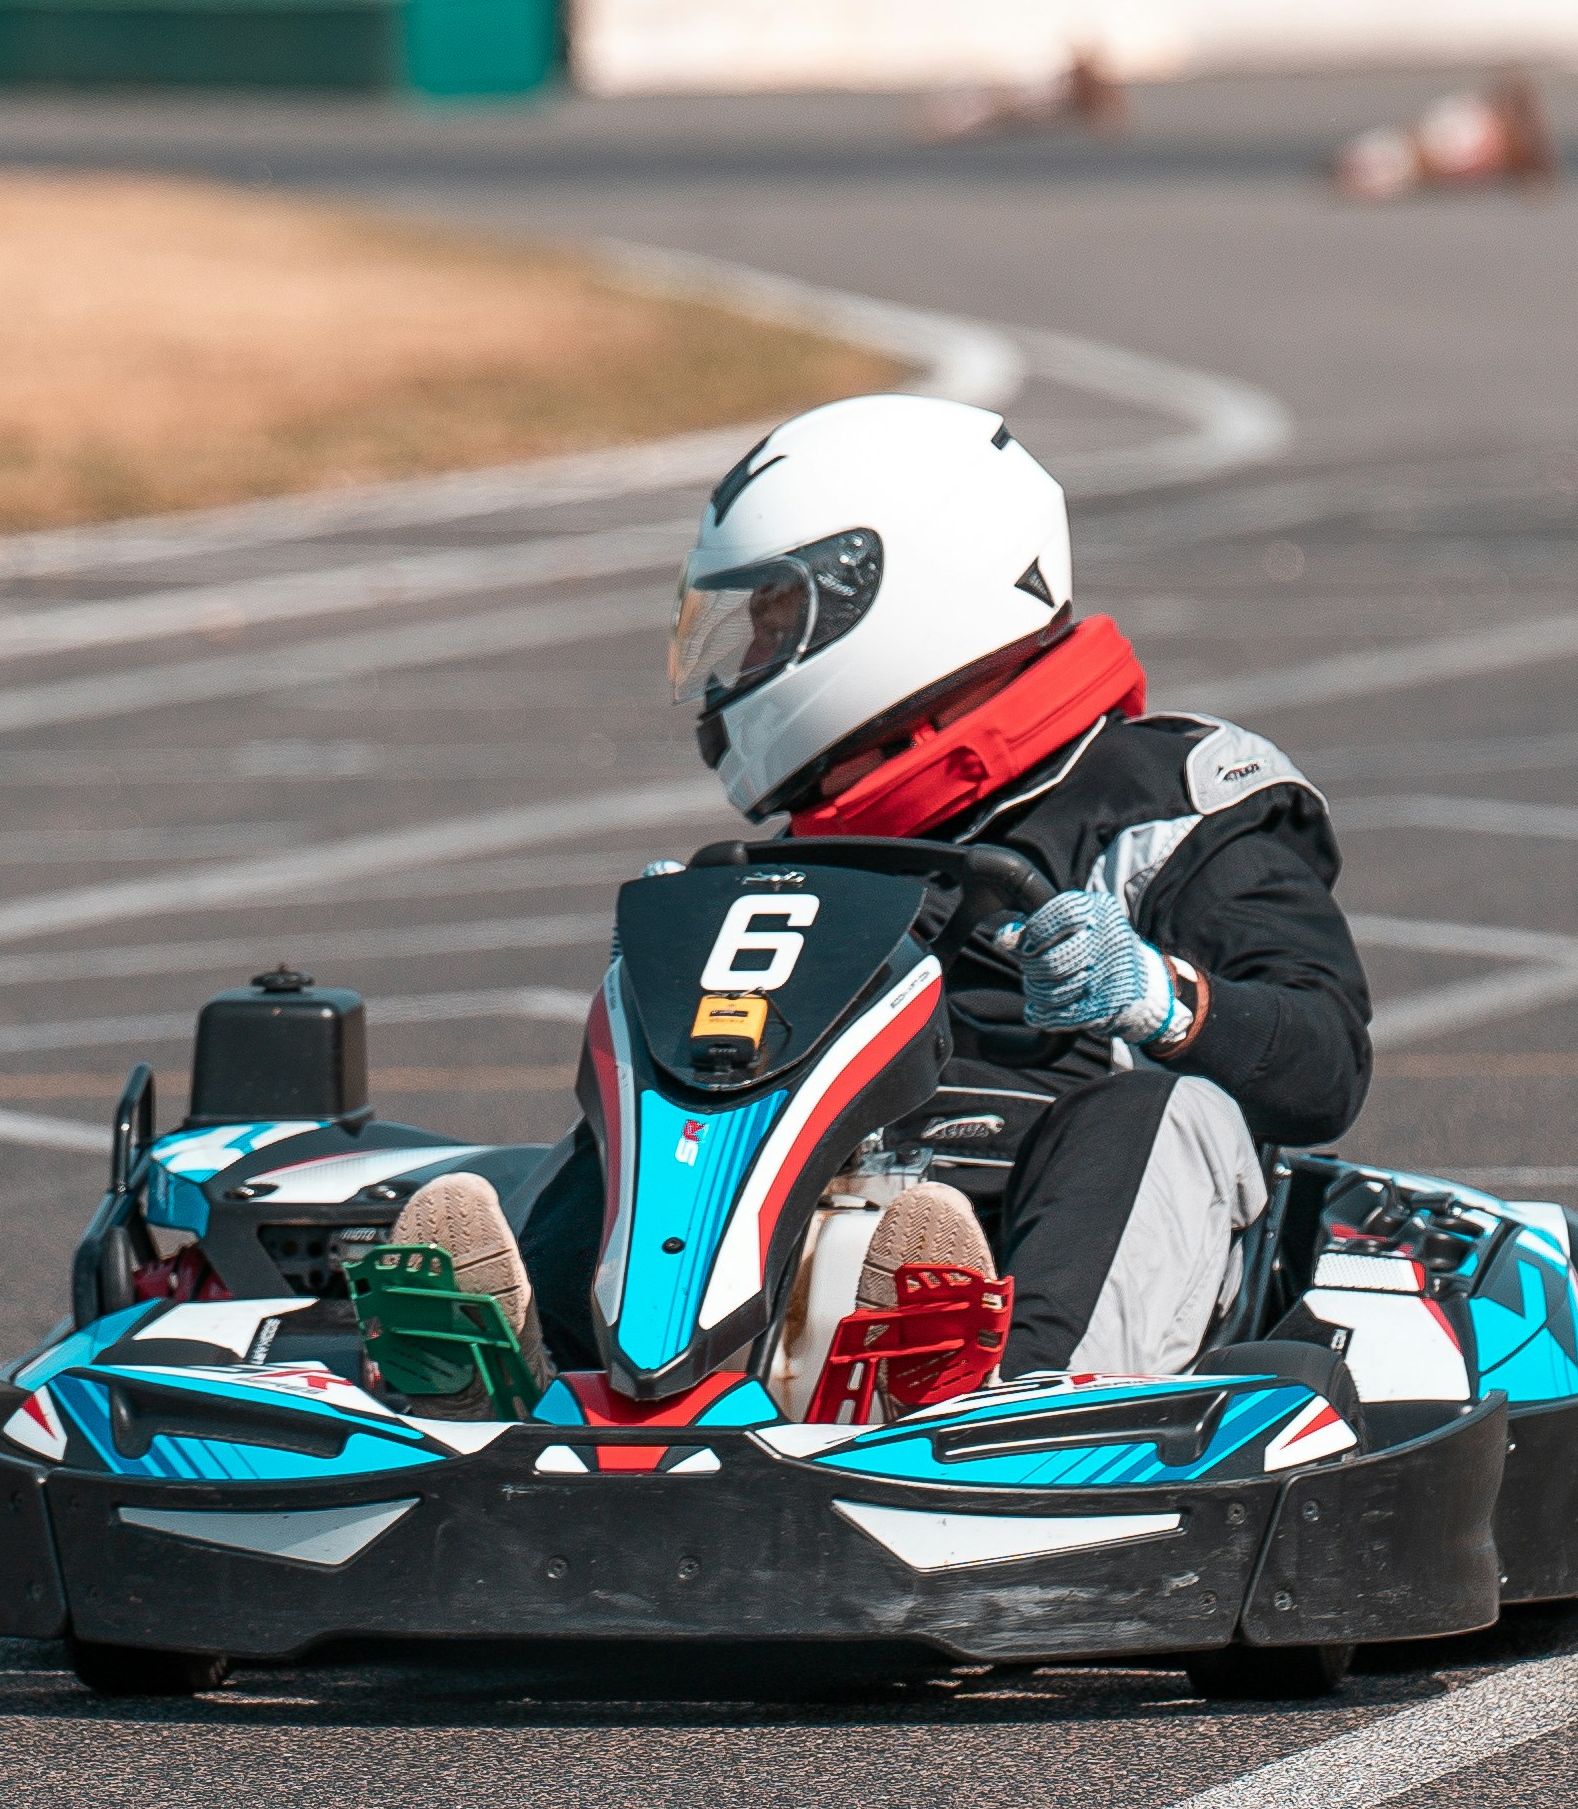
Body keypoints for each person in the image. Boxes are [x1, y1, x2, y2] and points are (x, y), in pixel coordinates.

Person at [510, 391, 1368, 1386]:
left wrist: (1163, 997)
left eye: (777, 621)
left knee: (1167, 1114)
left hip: (1056, 1216)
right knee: (658, 1107)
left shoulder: (1172, 798)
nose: (746, 662)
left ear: (914, 589)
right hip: (811, 1197)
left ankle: (1011, 1409)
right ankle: (528, 1366)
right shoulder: (804, 857)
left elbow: (1324, 1062)